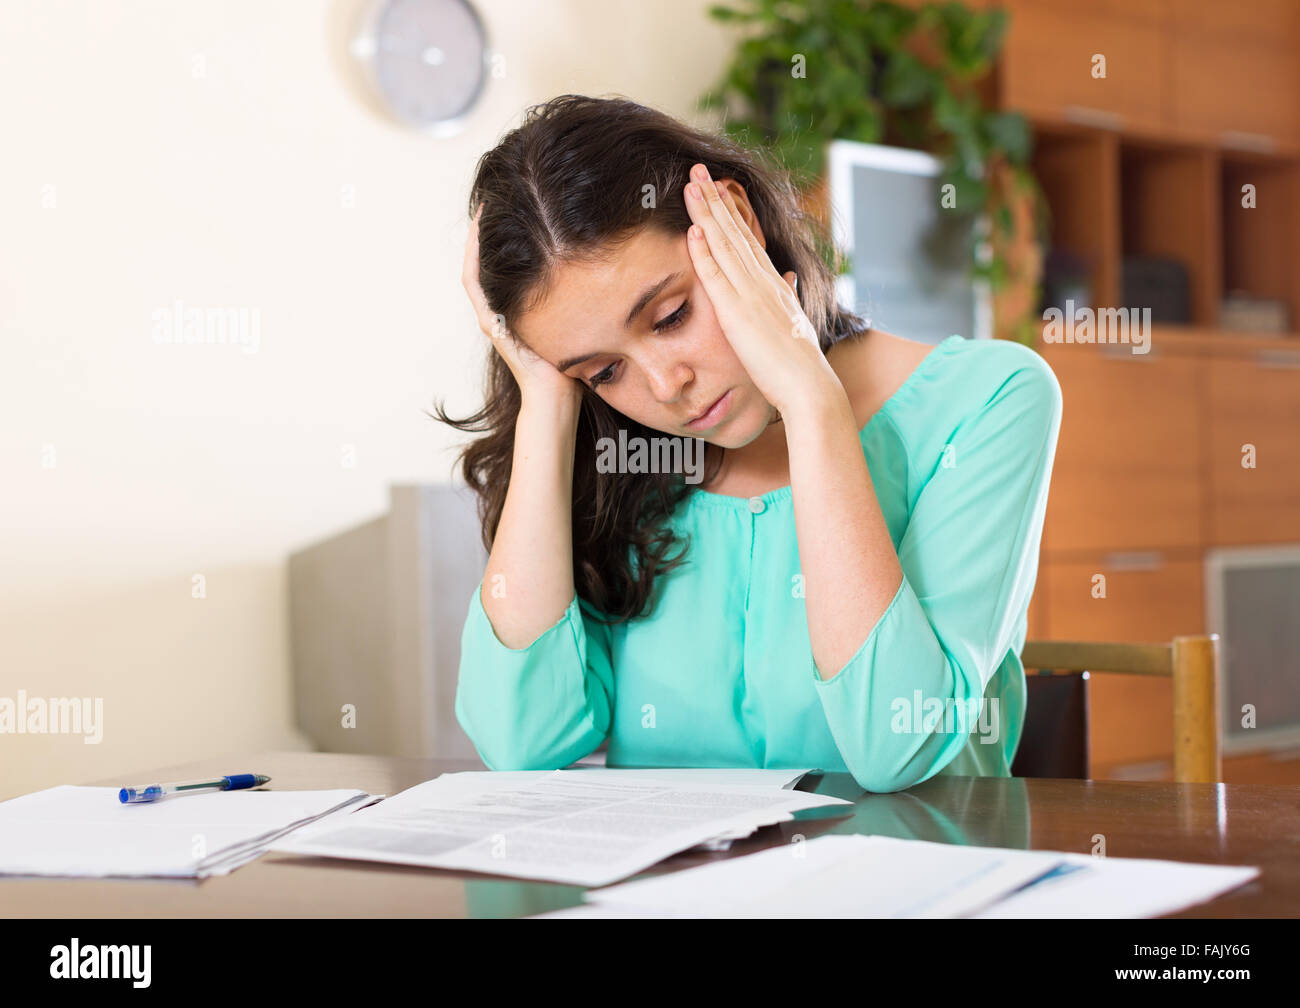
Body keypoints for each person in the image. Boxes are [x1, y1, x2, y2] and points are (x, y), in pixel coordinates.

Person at [431, 94, 1062, 793]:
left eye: (671, 316)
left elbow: (896, 746)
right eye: (604, 370)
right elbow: (521, 743)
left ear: (735, 219)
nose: (667, 386)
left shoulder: (988, 399)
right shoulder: (619, 452)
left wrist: (812, 401)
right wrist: (548, 403)